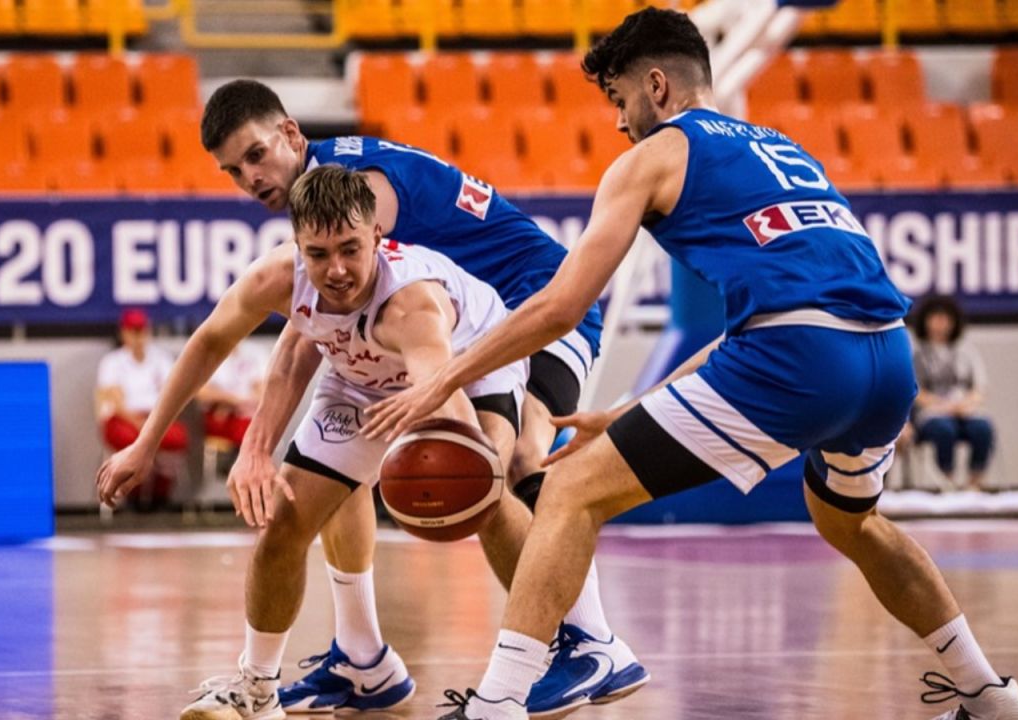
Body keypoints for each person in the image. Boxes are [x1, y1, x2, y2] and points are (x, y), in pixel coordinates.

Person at [364, 9, 1018, 720]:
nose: (620, 123)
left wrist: (443, 375)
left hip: (796, 359)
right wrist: (628, 411)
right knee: (852, 522)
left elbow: (561, 306)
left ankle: (498, 703)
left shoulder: (652, 158)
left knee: (569, 492)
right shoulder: (786, 149)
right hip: (885, 355)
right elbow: (772, 318)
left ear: (657, 86)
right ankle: (989, 695)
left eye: (620, 100)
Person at [199, 80, 647, 715]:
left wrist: (261, 438)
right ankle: (360, 655)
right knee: (340, 449)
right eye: (233, 170)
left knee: (511, 461)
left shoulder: (360, 194)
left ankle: (591, 641)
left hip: (536, 300)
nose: (249, 178)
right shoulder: (329, 188)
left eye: (255, 156)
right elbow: (319, 325)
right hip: (458, 322)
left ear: (292, 135)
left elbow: (309, 331)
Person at [98, 165, 537, 719]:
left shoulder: (412, 305)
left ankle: (565, 643)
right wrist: (144, 444)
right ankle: (256, 686)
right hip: (357, 379)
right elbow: (210, 344)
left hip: (470, 366)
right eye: (319, 253)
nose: (336, 270)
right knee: (284, 526)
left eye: (351, 249)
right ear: (296, 245)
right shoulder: (277, 278)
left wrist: (454, 456)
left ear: (378, 233)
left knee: (486, 495)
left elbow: (439, 387)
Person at [95, 308, 188, 509]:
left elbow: (171, 395)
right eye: (133, 331)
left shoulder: (161, 359)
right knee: (132, 441)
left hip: (154, 416)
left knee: (176, 438)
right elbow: (115, 400)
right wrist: (140, 424)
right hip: (124, 419)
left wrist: (153, 423)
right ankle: (132, 495)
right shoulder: (112, 362)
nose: (138, 337)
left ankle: (160, 496)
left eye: (141, 331)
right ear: (124, 333)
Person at [911, 295, 995, 492]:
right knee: (944, 430)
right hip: (932, 413)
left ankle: (975, 482)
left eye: (945, 318)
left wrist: (964, 405)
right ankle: (946, 481)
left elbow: (979, 388)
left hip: (964, 410)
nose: (940, 323)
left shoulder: (967, 350)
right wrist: (942, 406)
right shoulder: (918, 354)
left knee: (982, 428)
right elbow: (915, 391)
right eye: (935, 317)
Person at [199, 340, 269, 448]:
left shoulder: (255, 352)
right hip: (222, 416)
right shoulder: (208, 354)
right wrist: (233, 401)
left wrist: (250, 403)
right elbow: (201, 393)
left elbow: (263, 388)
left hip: (250, 413)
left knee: (262, 429)